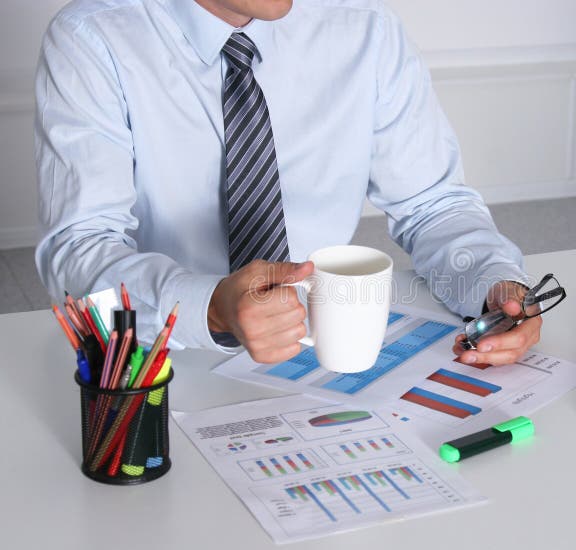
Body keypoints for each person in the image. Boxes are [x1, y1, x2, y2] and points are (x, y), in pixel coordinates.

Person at [34, 0, 542, 367]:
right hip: (158, 362)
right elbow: (77, 251)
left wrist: (490, 286)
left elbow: (433, 205)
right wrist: (210, 306)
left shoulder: (366, 28)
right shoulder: (92, 38)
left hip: (323, 356)